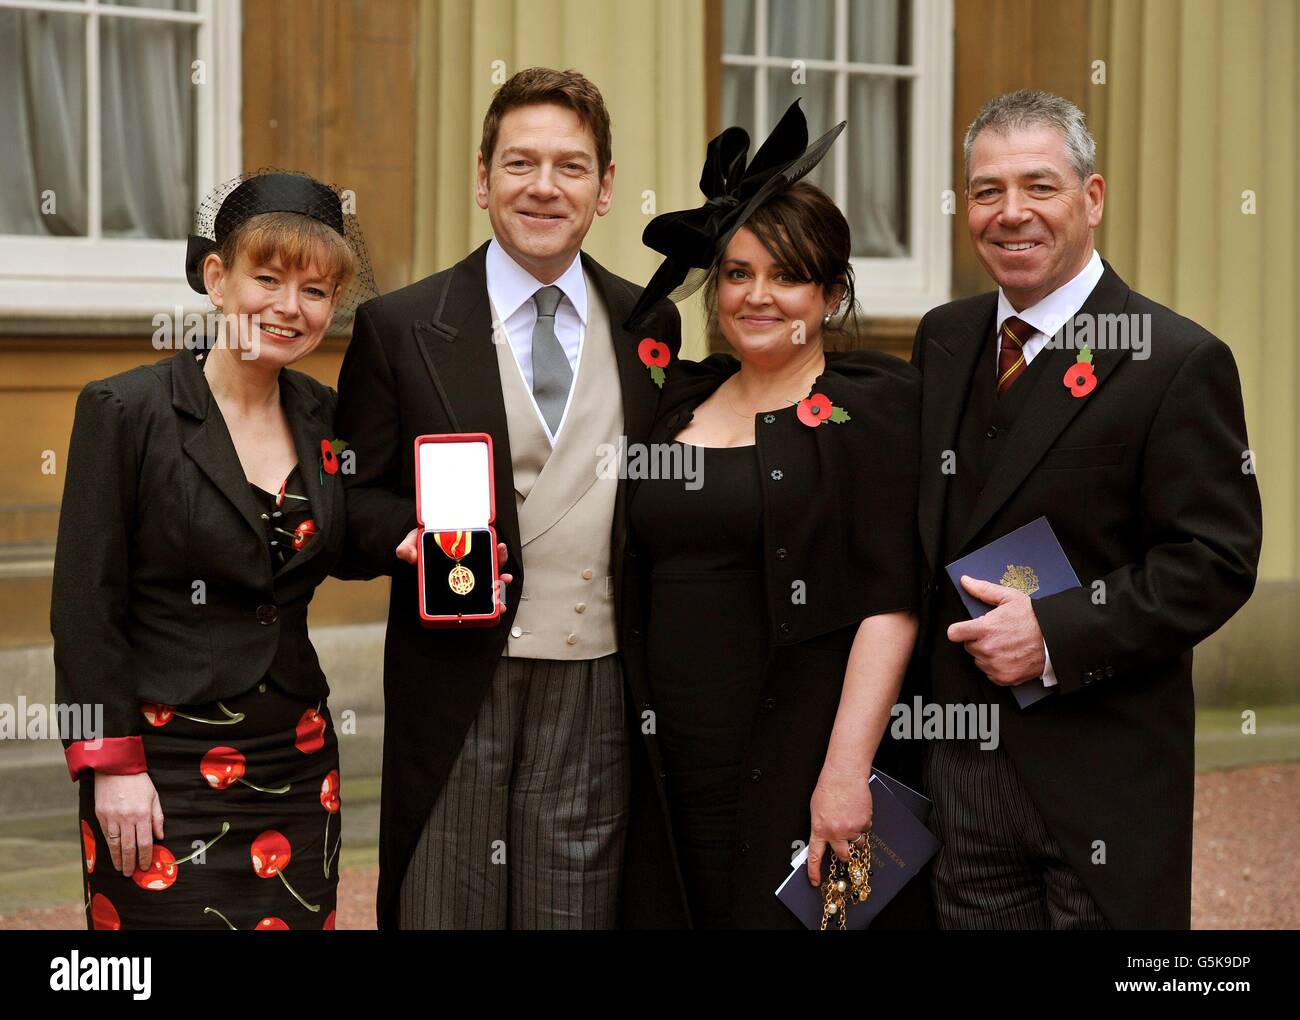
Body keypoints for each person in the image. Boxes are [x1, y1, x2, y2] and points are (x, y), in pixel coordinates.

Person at [334, 67, 682, 929]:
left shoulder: (651, 326)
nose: (543, 186)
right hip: (455, 677)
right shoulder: (401, 326)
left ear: (605, 189)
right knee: (444, 902)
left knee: (576, 907)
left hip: (598, 676)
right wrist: (403, 537)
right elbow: (352, 501)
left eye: (571, 166)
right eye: (520, 163)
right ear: (482, 179)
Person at [911, 90, 1263, 929]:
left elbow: (1214, 561)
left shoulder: (1175, 360)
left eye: (1040, 185)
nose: (1012, 213)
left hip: (1100, 772)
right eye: (988, 190)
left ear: (1092, 198)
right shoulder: (944, 339)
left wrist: (1057, 635)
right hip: (960, 772)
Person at [619, 100, 926, 929]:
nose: (758, 297)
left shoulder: (873, 410)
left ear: (829, 294)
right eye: (738, 273)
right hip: (665, 755)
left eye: (786, 277)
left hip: (798, 758)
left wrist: (845, 772)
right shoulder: (670, 399)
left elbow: (891, 602)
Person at [52, 171, 374, 930]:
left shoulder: (325, 417)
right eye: (268, 278)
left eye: (317, 291)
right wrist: (113, 765)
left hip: (295, 760)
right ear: (217, 278)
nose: (290, 308)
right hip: (159, 766)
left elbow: (339, 540)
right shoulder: (125, 410)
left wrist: (426, 546)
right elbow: (84, 603)